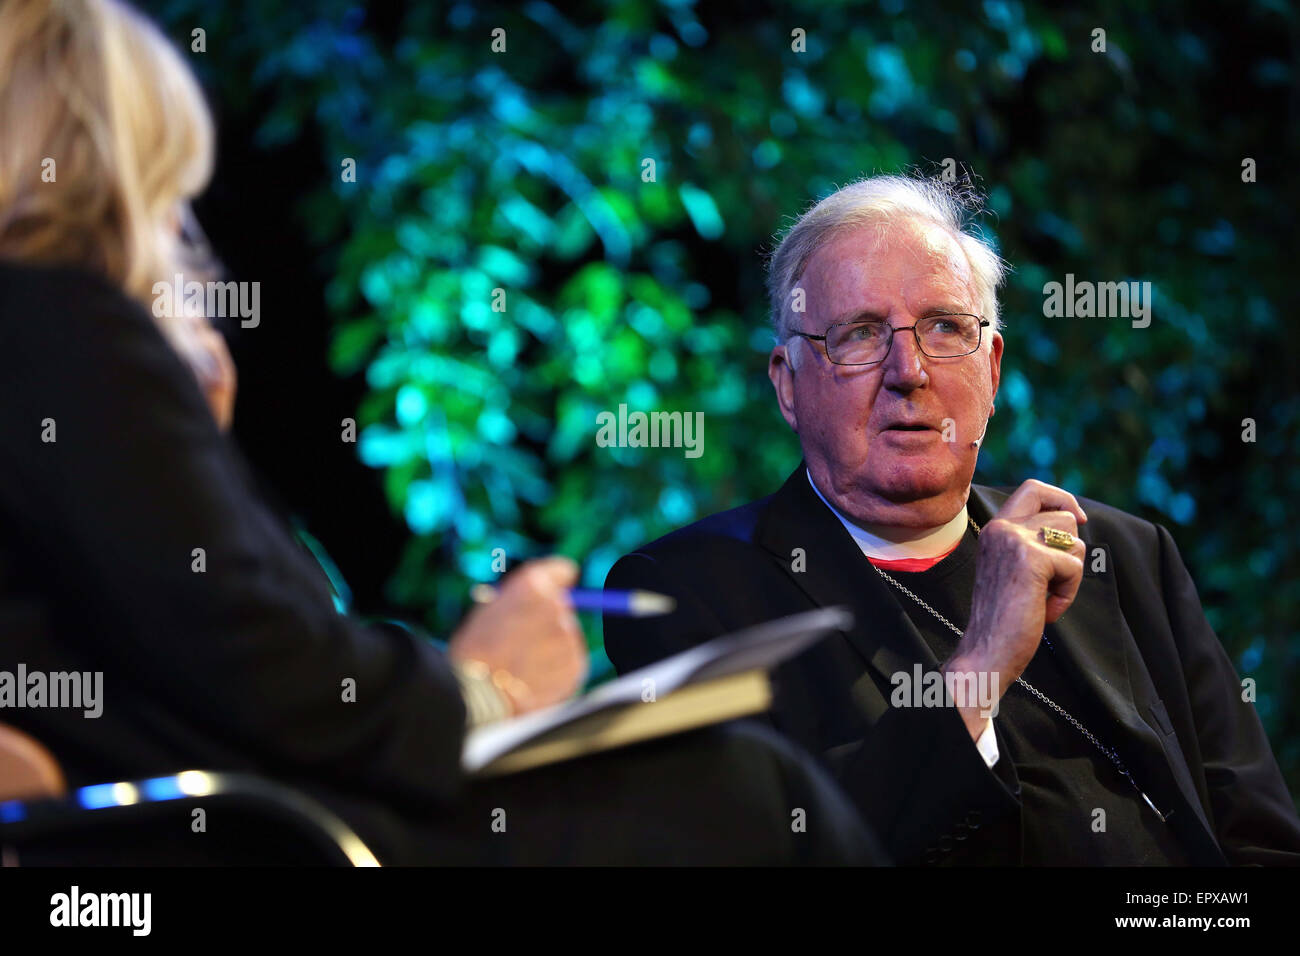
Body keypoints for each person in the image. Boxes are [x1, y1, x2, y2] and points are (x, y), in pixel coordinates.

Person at [0, 0, 882, 865]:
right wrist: (480, 690)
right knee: (745, 793)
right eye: (169, 194)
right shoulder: (60, 319)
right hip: (263, 831)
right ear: (104, 162)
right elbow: (261, 657)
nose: (184, 238)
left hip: (214, 818)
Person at [604, 174, 1300, 866]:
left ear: (992, 370)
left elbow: (1259, 840)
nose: (909, 370)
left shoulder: (1118, 552)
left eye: (944, 327)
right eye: (859, 334)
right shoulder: (688, 595)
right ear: (788, 384)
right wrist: (981, 665)